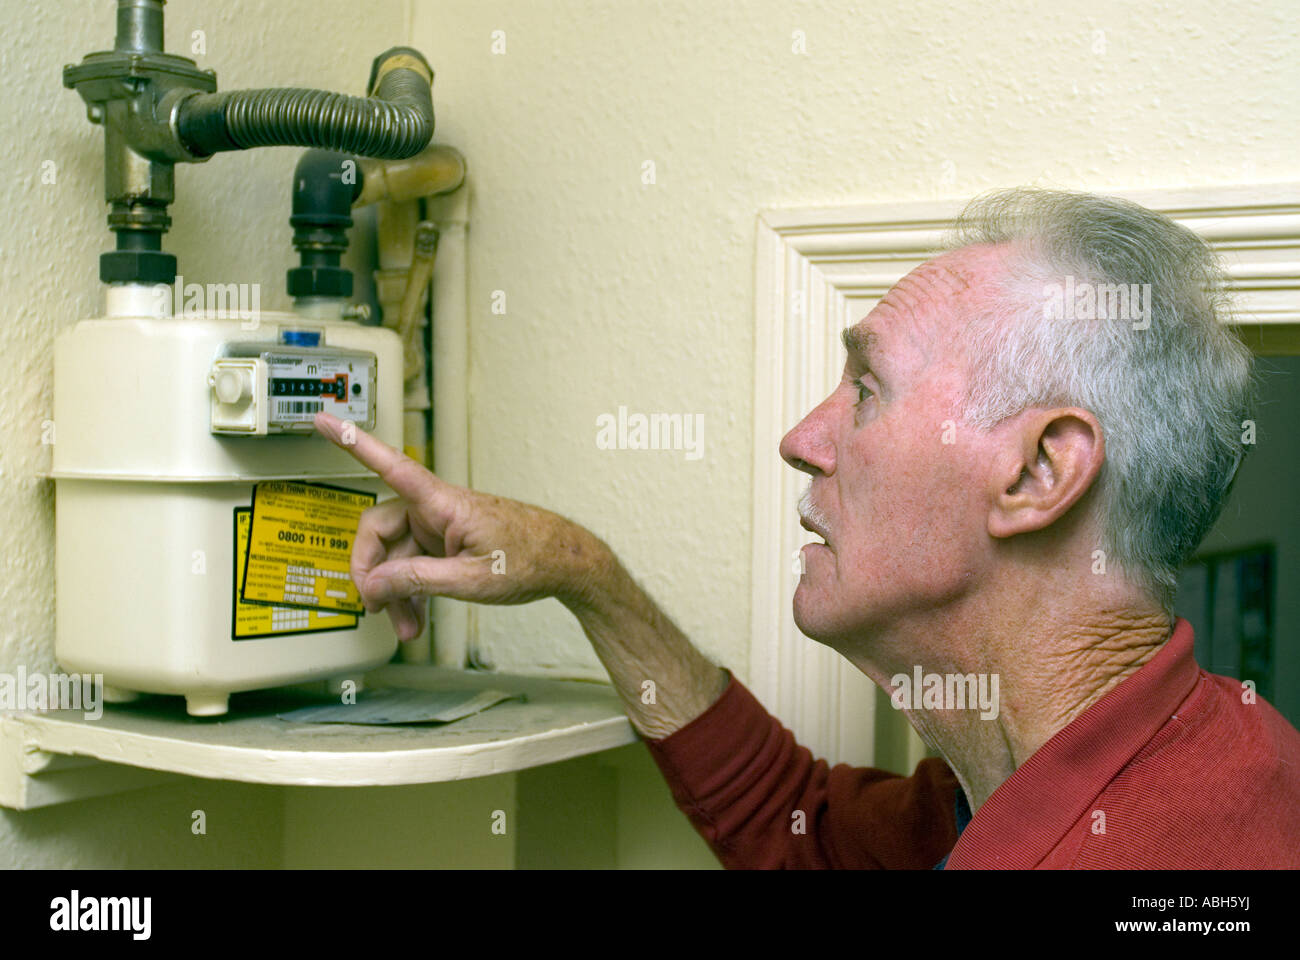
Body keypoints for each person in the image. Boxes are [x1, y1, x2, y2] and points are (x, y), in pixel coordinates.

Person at [314, 188, 1300, 869]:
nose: (800, 438)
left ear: (1038, 473)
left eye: (866, 387)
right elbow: (801, 836)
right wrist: (582, 570)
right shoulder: (1070, 771)